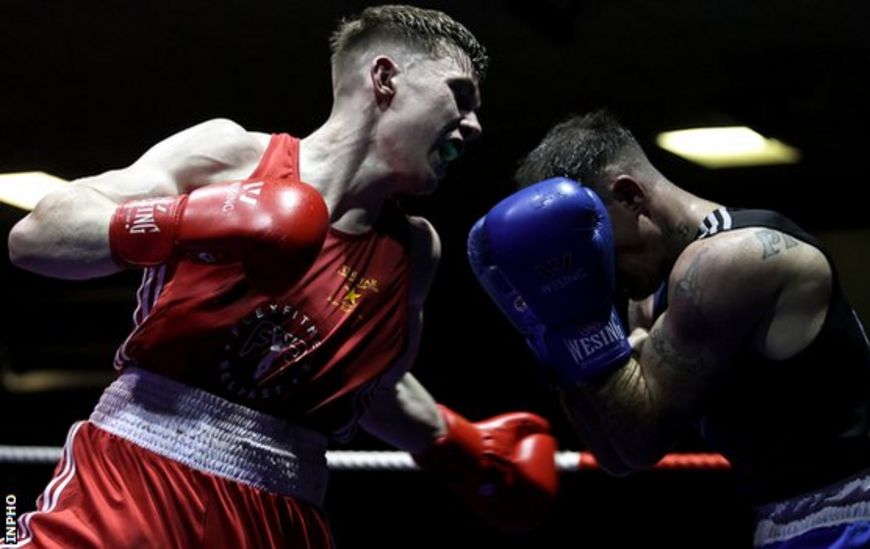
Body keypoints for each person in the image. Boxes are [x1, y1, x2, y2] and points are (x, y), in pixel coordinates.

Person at [5, 5, 558, 547]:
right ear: (385, 79)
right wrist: (188, 220)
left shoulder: (415, 250)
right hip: (134, 484)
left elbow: (375, 389)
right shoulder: (233, 158)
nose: (475, 124)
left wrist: (461, 447)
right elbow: (37, 237)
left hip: (282, 516)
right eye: (459, 96)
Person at [468, 110, 870, 547]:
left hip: (864, 520)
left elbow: (639, 435)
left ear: (630, 196)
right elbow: (621, 456)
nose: (601, 271)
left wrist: (572, 326)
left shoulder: (734, 258)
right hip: (782, 521)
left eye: (592, 244)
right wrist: (548, 330)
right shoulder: (646, 296)